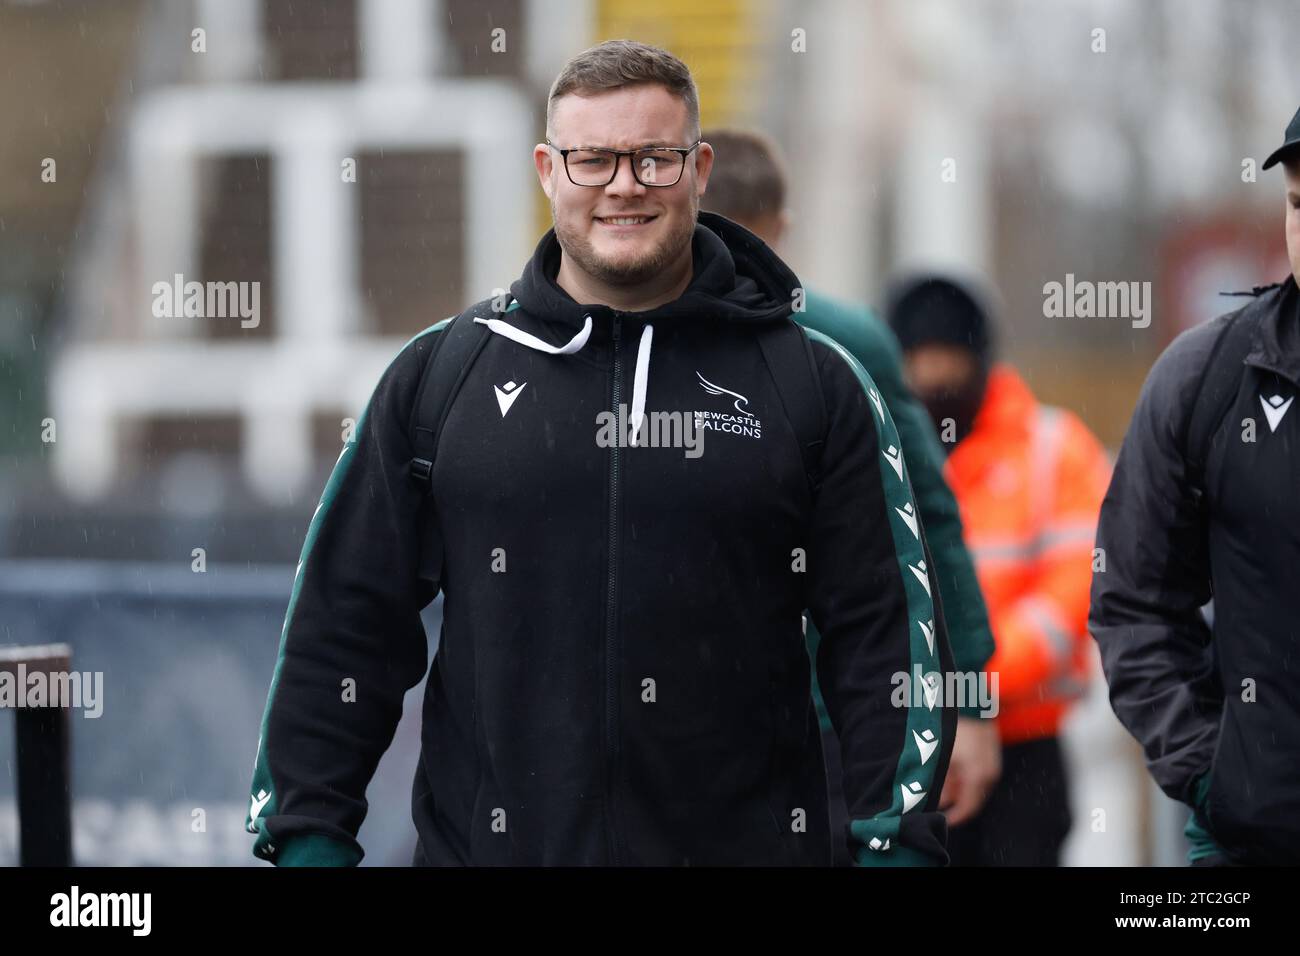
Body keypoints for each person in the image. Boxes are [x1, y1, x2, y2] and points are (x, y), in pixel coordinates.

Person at [246, 39, 956, 867]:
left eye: (655, 159)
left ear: (699, 169)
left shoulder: (812, 382)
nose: (625, 184)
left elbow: (884, 637)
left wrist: (895, 846)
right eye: (594, 160)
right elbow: (345, 622)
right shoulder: (441, 377)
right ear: (549, 170)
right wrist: (306, 838)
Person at [699, 128, 998, 867]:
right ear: (782, 226)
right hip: (832, 718)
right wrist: (974, 706)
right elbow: (930, 520)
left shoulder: (625, 339)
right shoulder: (848, 337)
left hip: (691, 723)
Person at [1089, 105, 1300, 866]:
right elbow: (1133, 597)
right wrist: (1216, 775)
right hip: (1251, 842)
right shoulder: (1207, 376)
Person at [888, 275, 1111, 865]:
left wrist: (961, 689)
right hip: (910, 752)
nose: (937, 382)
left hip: (1026, 751)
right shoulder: (874, 448)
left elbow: (1070, 601)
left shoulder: (1053, 448)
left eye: (949, 363)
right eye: (921, 365)